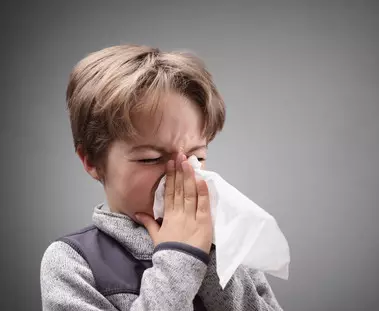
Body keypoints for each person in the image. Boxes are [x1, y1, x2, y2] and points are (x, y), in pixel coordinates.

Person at [40, 44, 283, 310]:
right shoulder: (73, 262)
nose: (184, 172)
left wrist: (210, 255)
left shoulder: (227, 243)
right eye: (151, 159)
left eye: (197, 156)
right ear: (91, 161)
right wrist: (179, 258)